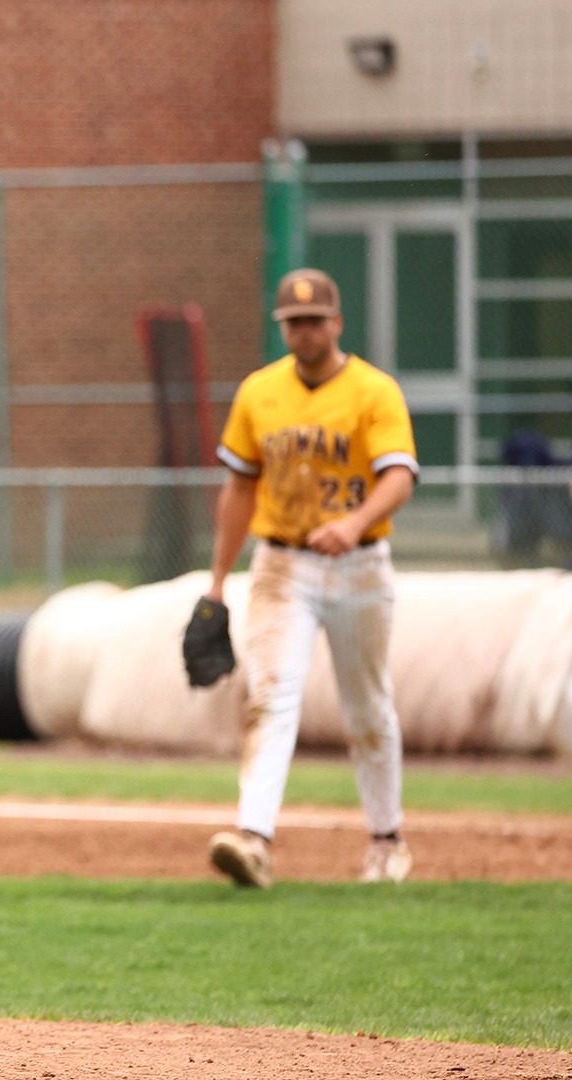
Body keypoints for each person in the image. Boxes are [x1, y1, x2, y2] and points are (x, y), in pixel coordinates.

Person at [199, 268, 419, 889]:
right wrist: (217, 580)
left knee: (367, 706)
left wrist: (354, 523)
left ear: (337, 323)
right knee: (271, 696)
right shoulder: (259, 392)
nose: (304, 331)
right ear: (283, 328)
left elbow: (399, 475)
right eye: (293, 322)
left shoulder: (373, 391)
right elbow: (240, 488)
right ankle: (253, 839)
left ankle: (387, 841)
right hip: (281, 565)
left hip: (360, 565)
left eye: (315, 320)